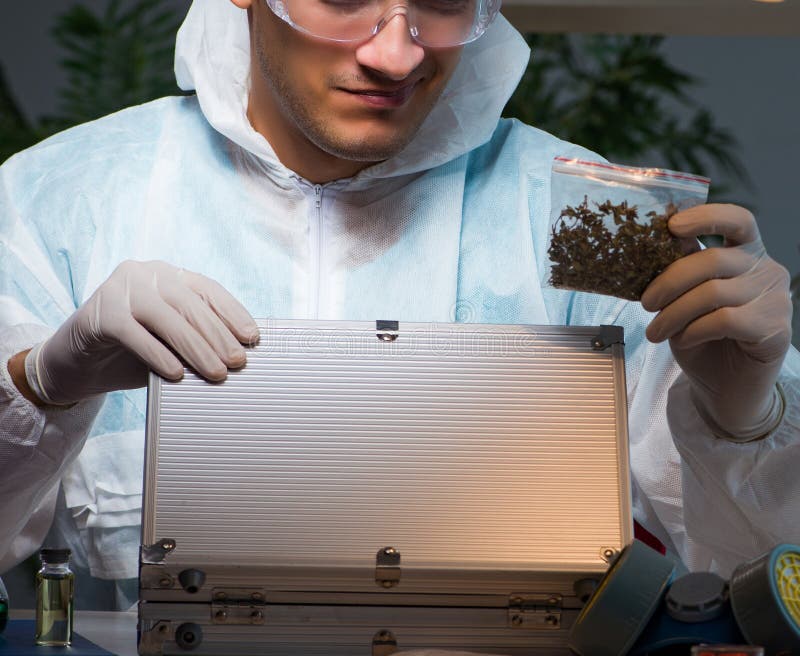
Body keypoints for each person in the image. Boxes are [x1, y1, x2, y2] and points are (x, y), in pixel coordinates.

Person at [1, 0, 798, 611]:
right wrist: (38, 384)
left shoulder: (582, 218)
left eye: (444, 2)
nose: (394, 54)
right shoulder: (57, 204)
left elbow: (757, 588)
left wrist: (745, 417)